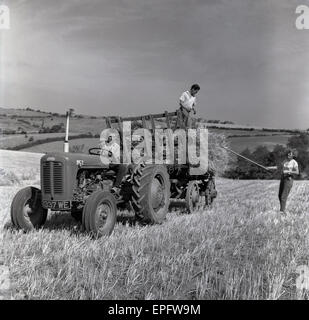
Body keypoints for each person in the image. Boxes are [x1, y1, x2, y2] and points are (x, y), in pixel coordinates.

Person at [278, 149, 299, 215]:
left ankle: (282, 212)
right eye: (288, 153)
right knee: (280, 195)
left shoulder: (294, 162)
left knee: (283, 196)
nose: (288, 154)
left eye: (290, 154)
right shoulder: (285, 161)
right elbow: (278, 168)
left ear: (293, 155)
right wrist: (268, 168)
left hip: (288, 179)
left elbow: (297, 172)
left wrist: (289, 171)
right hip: (283, 179)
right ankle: (282, 210)